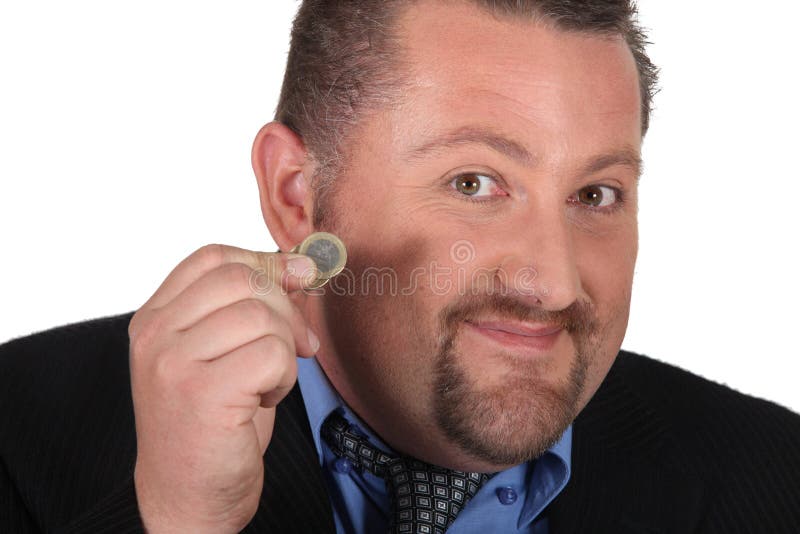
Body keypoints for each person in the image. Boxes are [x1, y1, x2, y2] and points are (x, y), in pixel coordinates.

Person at [1, 1, 799, 533]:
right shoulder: (21, 437)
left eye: (595, 193)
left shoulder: (775, 482)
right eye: (475, 183)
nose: (554, 285)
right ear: (297, 196)